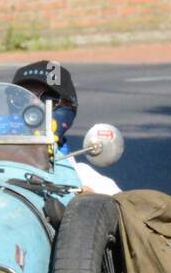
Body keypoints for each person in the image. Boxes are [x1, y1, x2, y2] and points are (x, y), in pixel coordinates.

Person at [10, 59, 120, 195]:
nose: (33, 107)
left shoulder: (85, 179)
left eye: (48, 99)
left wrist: (91, 201)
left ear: (69, 107)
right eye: (21, 97)